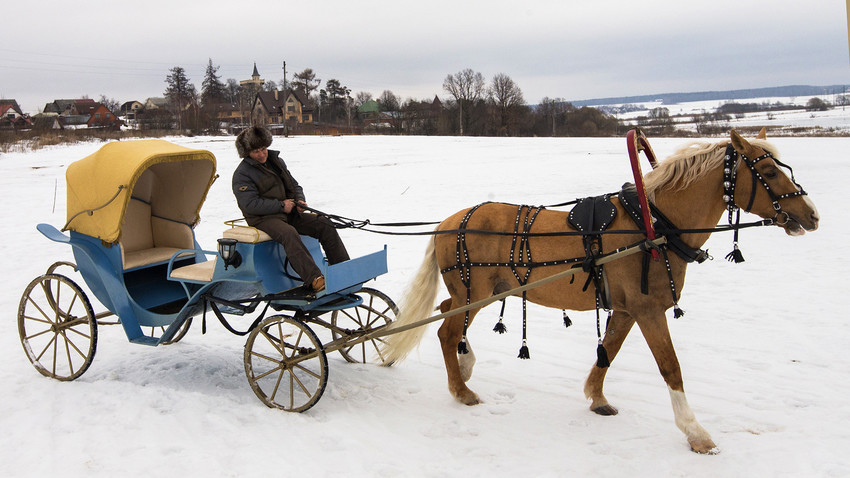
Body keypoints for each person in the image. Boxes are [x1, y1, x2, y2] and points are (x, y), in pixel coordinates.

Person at [232, 126, 349, 292]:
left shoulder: (276, 162)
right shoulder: (242, 174)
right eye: (256, 151)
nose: (262, 154)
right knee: (288, 233)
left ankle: (343, 268)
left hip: (288, 213)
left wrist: (300, 200)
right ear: (246, 153)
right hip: (263, 219)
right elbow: (249, 204)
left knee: (323, 223)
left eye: (263, 148)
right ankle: (314, 279)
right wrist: (280, 206)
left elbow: (294, 184)